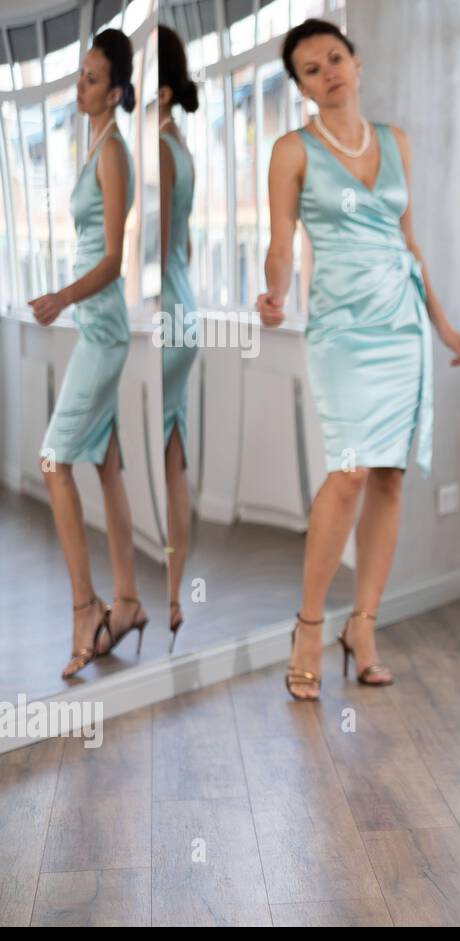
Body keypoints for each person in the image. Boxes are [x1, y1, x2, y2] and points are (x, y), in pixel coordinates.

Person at [255, 19, 460, 700]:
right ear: (300, 88)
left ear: (355, 61)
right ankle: (309, 626)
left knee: (388, 478)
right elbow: (282, 243)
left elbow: (409, 241)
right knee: (348, 472)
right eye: (312, 69)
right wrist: (274, 294)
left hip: (402, 325)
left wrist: (442, 323)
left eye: (335, 58)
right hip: (343, 330)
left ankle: (365, 626)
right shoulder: (292, 149)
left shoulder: (394, 141)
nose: (330, 72)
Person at [30, 29, 142, 679]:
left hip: (102, 331)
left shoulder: (114, 153)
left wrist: (61, 299)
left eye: (93, 79)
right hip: (96, 325)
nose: (81, 86)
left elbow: (113, 260)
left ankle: (85, 609)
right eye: (79, 75)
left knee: (52, 461)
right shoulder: (93, 142)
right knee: (106, 466)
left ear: (116, 92)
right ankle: (126, 603)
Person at [158, 22, 200, 652]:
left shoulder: (156, 150)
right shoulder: (179, 144)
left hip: (161, 311)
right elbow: (182, 244)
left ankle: (157, 597)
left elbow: (157, 241)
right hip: (183, 306)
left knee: (158, 458)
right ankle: (168, 599)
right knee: (171, 459)